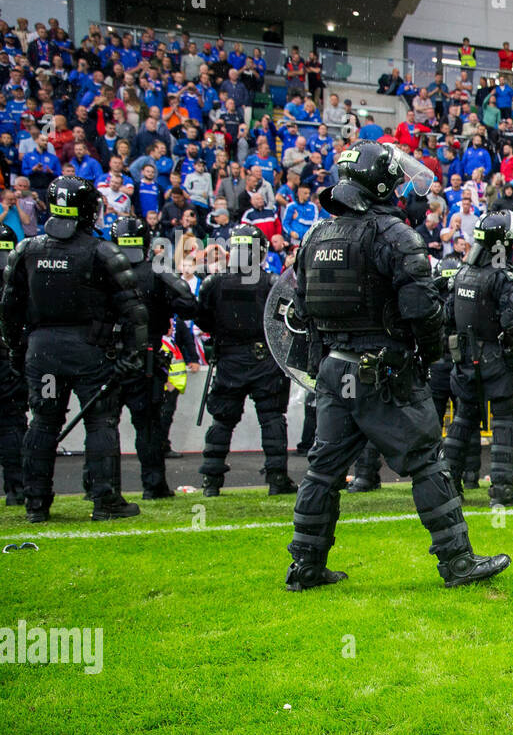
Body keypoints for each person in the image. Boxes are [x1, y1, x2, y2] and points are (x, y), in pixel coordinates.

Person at [283, 140, 509, 590]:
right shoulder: (394, 235)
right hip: (384, 371)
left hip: (334, 371)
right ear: (380, 181)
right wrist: (426, 360)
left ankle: (304, 566)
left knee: (322, 470)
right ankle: (457, 561)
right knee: (427, 461)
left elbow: (300, 312)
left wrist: (320, 367)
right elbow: (423, 311)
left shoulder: (314, 236)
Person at [0, 176, 147, 521]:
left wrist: (16, 351)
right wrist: (133, 354)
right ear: (86, 210)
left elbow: (8, 309)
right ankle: (104, 500)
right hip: (89, 353)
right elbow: (135, 311)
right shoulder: (101, 252)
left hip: (42, 352)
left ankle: (36, 503)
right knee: (100, 421)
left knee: (44, 422)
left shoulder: (27, 250)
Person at [442, 210, 513, 506]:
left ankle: (449, 488)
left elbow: (449, 316)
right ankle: (500, 490)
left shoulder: (463, 273)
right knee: (503, 423)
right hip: (496, 360)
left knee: (462, 420)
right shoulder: (505, 278)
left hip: (464, 358)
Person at [195, 224, 297, 497]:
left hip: (229, 359)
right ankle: (277, 479)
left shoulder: (213, 284)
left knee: (222, 420)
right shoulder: (272, 283)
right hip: (265, 358)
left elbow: (202, 319)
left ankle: (211, 482)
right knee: (273, 418)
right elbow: (286, 322)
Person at [108, 215, 197, 499]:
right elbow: (188, 305)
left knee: (103, 425)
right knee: (148, 426)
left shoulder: (102, 272)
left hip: (108, 358)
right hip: (144, 357)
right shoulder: (156, 272)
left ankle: (100, 487)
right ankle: (153, 485)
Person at [0, 230, 28, 504]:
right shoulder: (19, 281)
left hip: (9, 355)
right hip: (9, 359)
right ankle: (16, 489)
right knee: (11, 424)